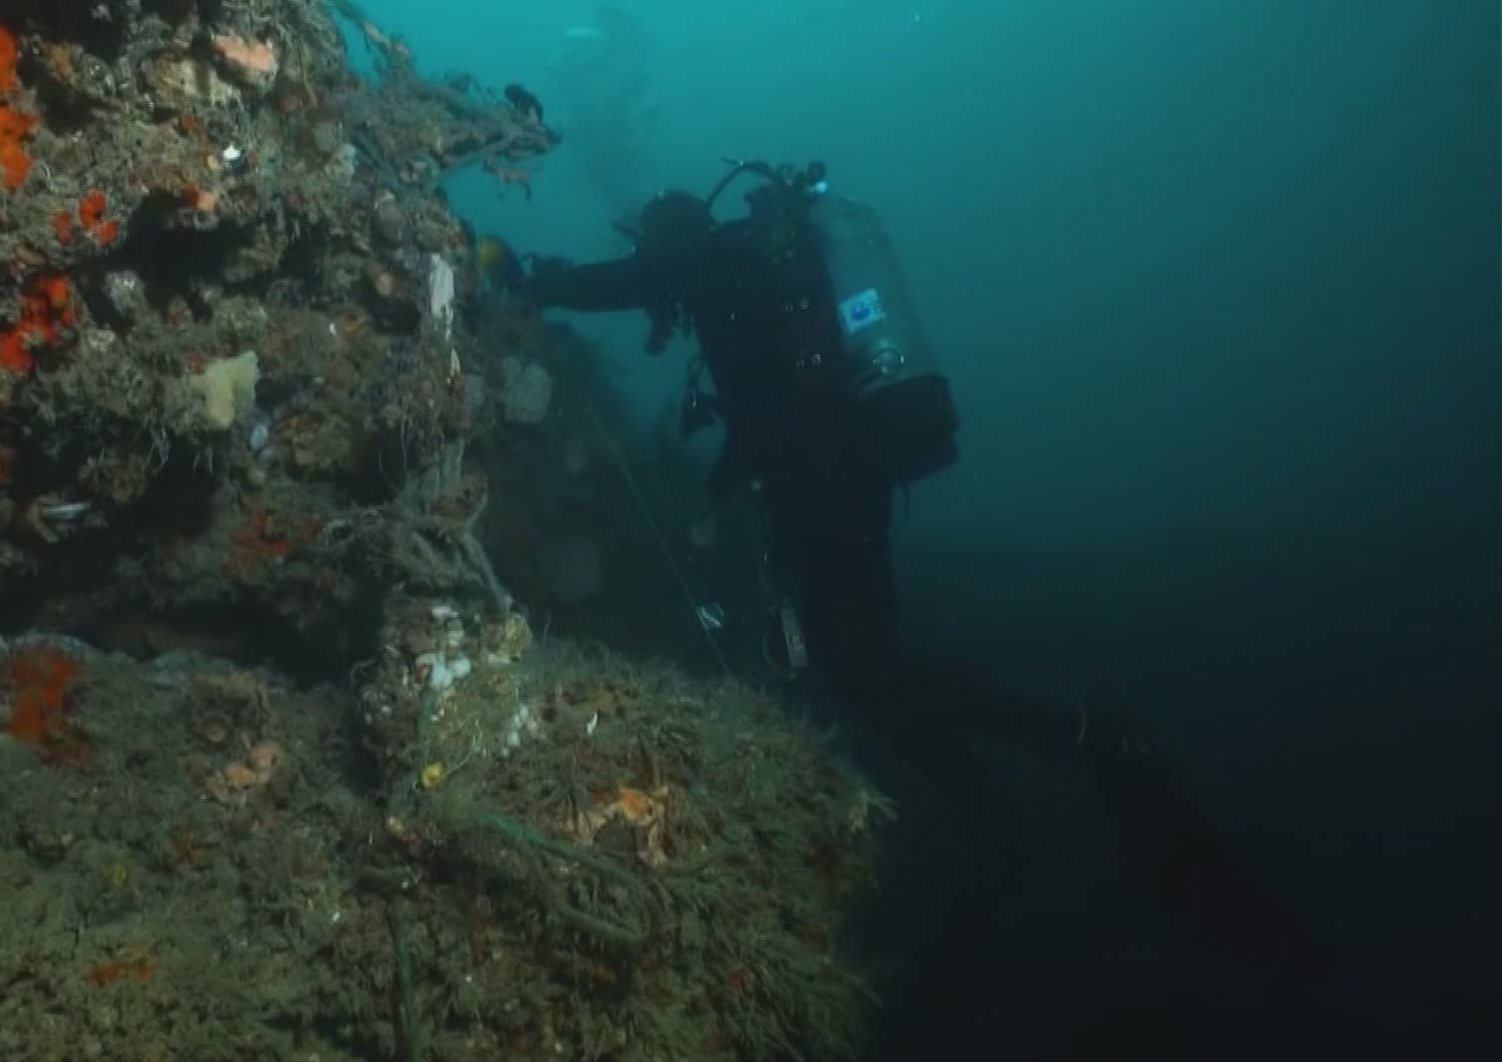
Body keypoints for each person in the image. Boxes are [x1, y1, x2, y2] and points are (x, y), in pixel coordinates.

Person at [518, 159, 1325, 980]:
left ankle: (1085, 739)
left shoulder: (719, 263)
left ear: (675, 239)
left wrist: (534, 281)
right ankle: (999, 814)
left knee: (870, 669)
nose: (665, 289)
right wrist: (718, 495)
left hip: (832, 494)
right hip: (831, 491)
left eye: (661, 251)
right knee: (867, 675)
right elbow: (764, 420)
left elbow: (656, 294)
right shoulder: (742, 290)